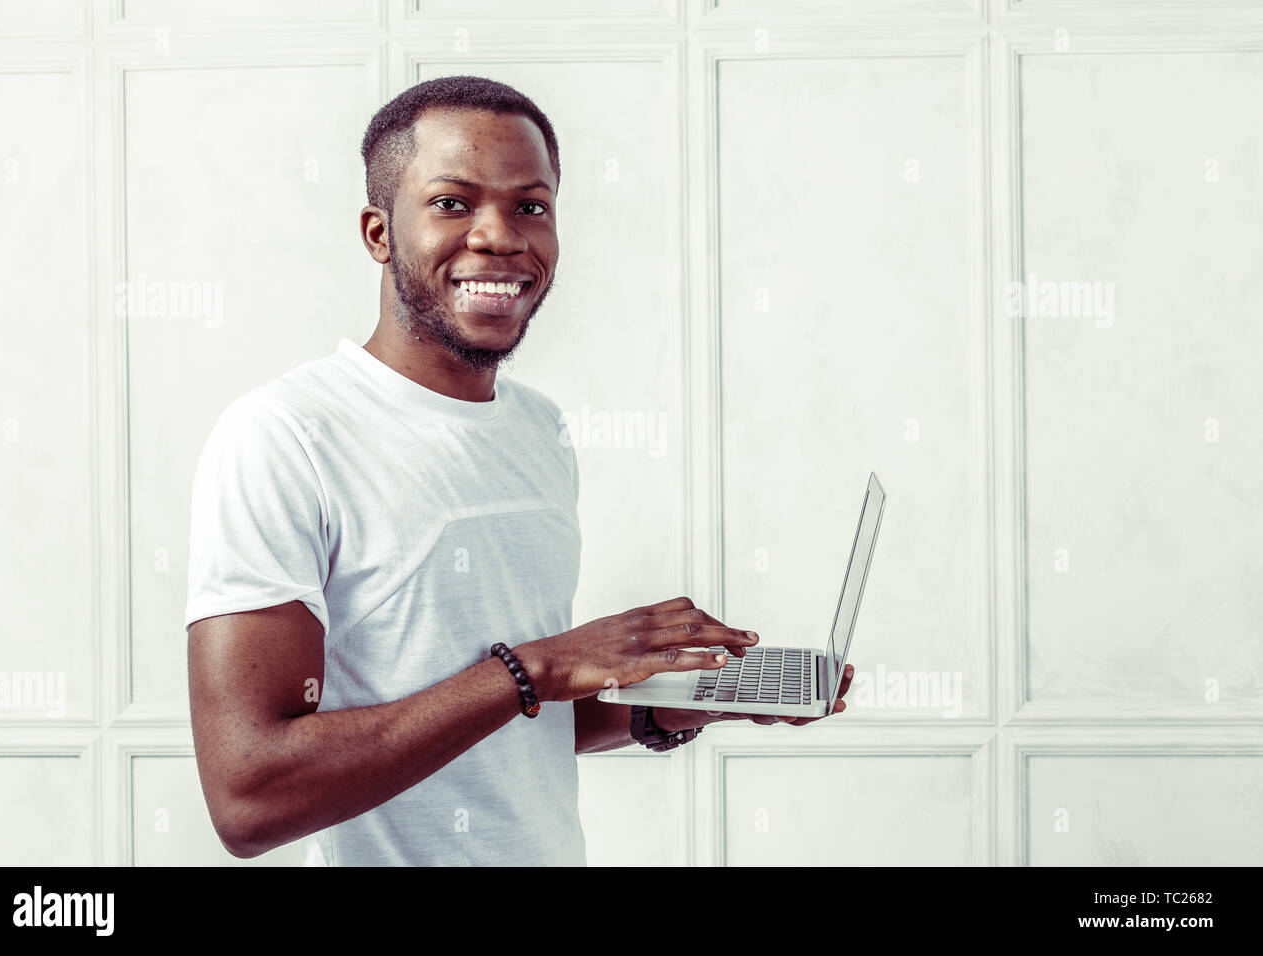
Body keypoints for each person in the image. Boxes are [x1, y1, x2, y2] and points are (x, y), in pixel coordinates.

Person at [184, 75, 854, 866]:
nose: (500, 235)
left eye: (530, 206)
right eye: (452, 203)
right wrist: (539, 664)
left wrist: (676, 705)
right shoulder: (283, 437)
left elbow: (509, 722)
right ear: (378, 232)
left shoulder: (540, 429)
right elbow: (249, 797)